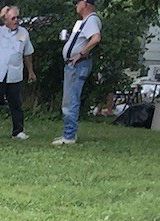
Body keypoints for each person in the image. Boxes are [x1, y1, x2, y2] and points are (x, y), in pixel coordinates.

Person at [0, 6, 35, 139]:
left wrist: (31, 71)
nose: (16, 20)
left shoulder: (23, 33)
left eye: (17, 17)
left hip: (15, 74)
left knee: (16, 104)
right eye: (12, 18)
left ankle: (18, 131)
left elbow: (27, 53)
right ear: (5, 20)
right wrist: (0, 15)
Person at [54, 0, 101, 145]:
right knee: (69, 100)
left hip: (77, 65)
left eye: (77, 2)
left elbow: (96, 38)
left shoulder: (92, 19)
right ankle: (68, 133)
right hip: (73, 65)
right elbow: (82, 40)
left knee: (70, 101)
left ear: (85, 3)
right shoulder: (84, 22)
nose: (76, 5)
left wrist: (80, 54)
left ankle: (69, 136)